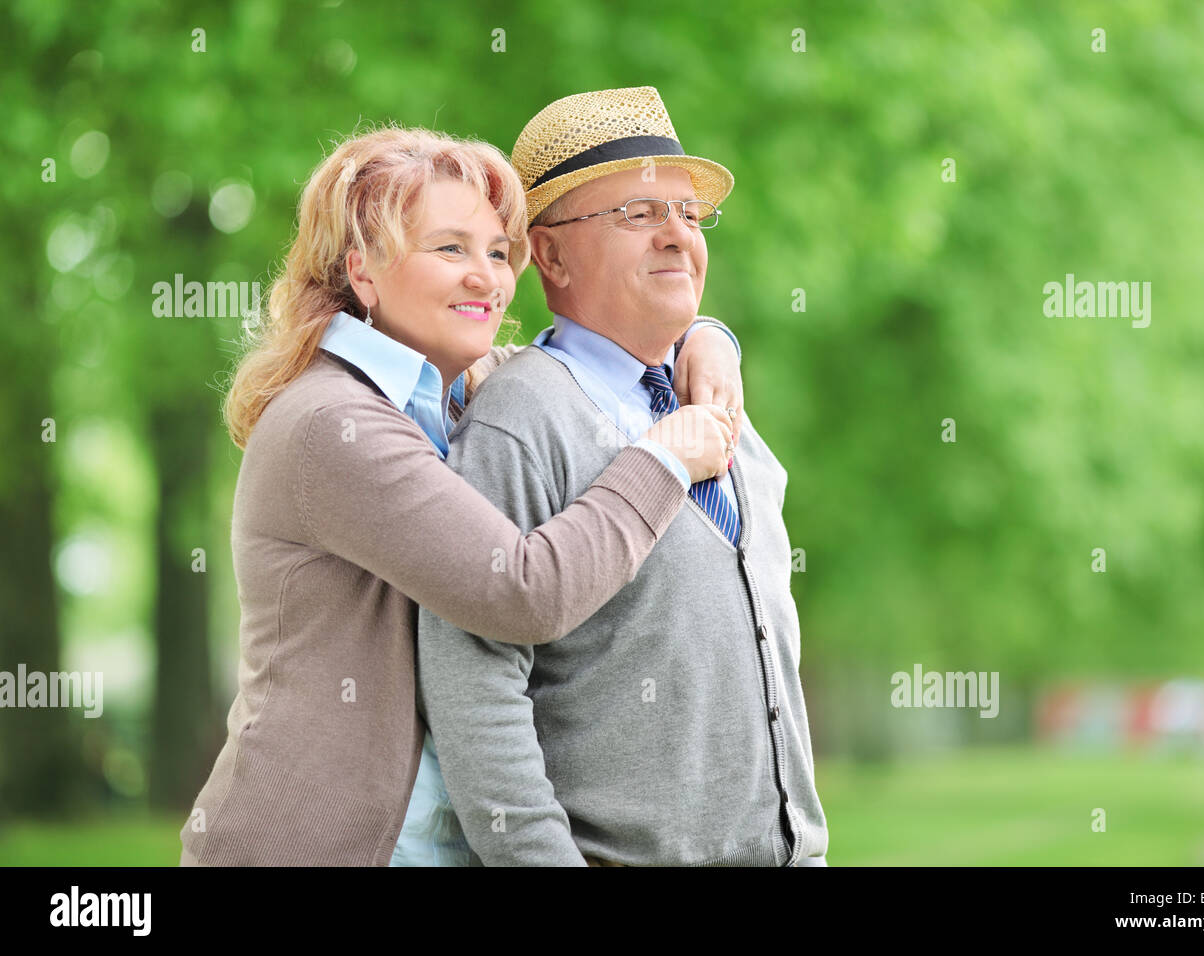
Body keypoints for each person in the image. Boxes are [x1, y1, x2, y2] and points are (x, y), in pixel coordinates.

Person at [179, 124, 748, 866]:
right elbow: (522, 591)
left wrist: (705, 335)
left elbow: (604, 352)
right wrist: (666, 458)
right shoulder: (334, 423)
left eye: (498, 252)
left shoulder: (457, 393)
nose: (487, 277)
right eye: (450, 249)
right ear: (364, 269)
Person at [416, 87, 829, 866]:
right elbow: (473, 689)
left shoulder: (711, 396)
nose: (678, 236)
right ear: (552, 254)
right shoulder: (520, 419)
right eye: (639, 215)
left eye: (688, 214)